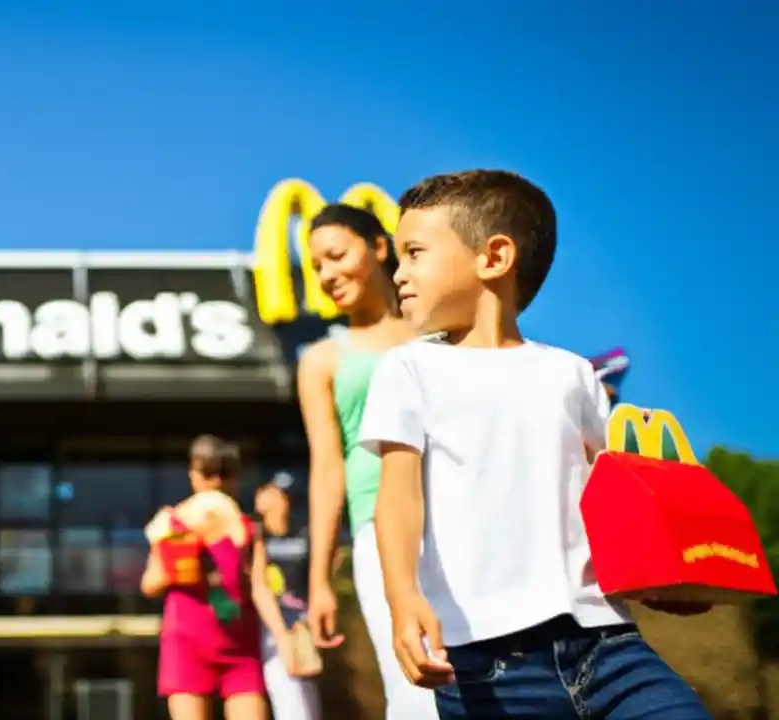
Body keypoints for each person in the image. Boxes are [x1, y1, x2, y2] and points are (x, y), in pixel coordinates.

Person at [360, 169, 711, 718]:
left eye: (414, 252)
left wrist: (660, 575)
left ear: (494, 257)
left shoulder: (574, 375)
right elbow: (398, 497)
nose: (398, 273)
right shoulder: (408, 368)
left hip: (608, 643)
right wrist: (402, 598)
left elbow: (607, 497)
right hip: (484, 665)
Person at [297, 203, 436, 719]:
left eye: (336, 256)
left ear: (380, 247)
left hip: (454, 518)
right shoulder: (321, 360)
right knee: (413, 682)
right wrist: (318, 581)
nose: (328, 275)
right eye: (317, 268)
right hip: (378, 531)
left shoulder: (438, 334)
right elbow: (327, 469)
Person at [142, 435, 268, 720]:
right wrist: (185, 556)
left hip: (238, 645)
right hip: (190, 644)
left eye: (222, 473)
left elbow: (259, 588)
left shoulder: (249, 529)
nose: (215, 482)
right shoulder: (171, 524)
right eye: (209, 473)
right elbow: (150, 583)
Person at [253, 476, 321, 719]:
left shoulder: (304, 534)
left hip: (301, 627)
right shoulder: (253, 536)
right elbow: (256, 586)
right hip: (266, 630)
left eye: (280, 494)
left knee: (304, 705)